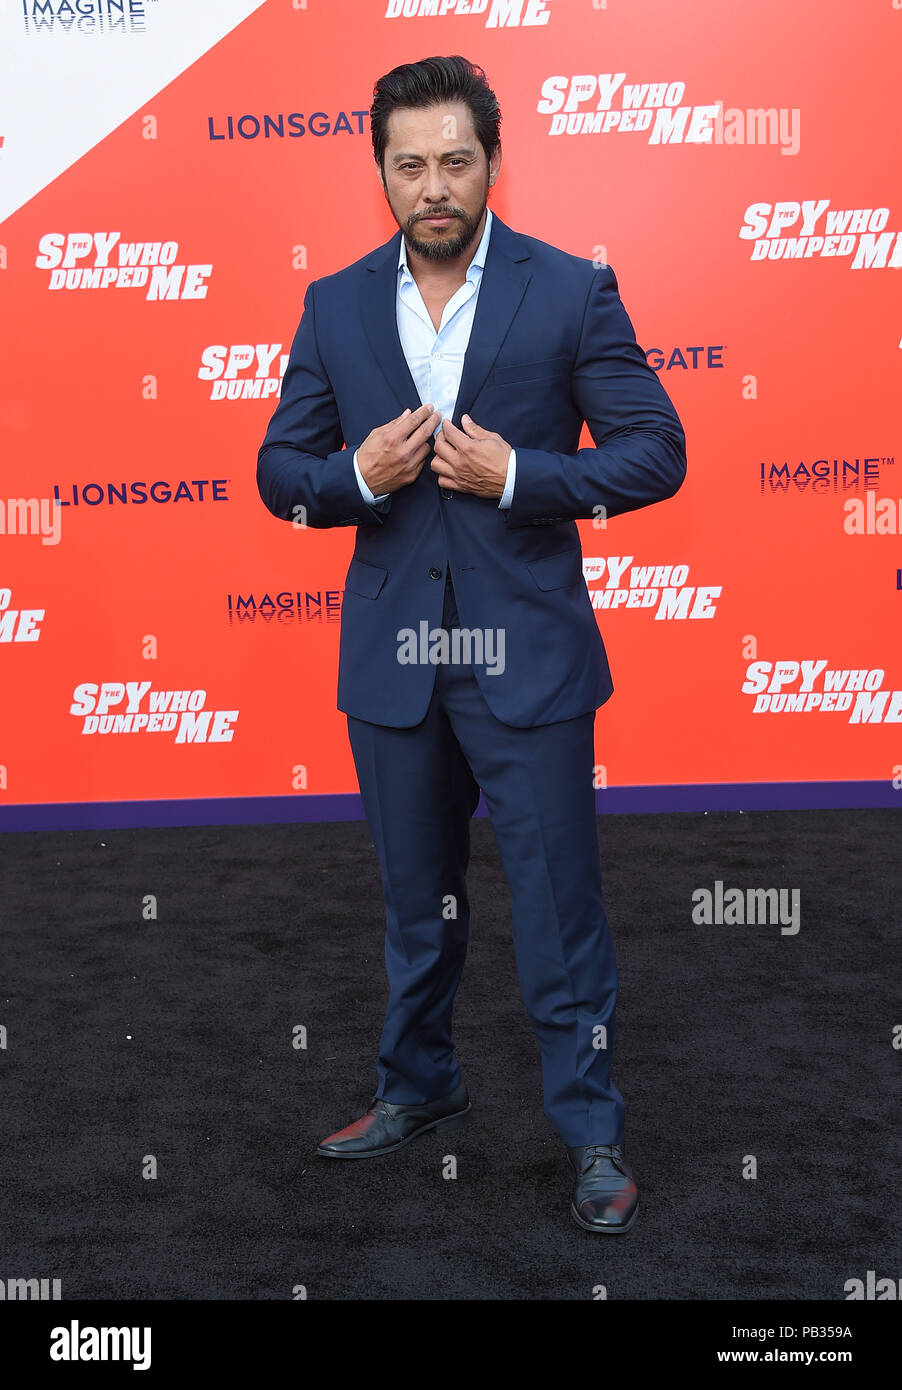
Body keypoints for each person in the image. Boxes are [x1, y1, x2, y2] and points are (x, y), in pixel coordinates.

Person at [256, 54, 686, 1234]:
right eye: (409, 165)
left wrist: (521, 476)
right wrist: (354, 476)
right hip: (393, 663)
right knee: (413, 901)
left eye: (454, 160)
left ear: (491, 161)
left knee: (557, 907)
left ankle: (591, 1135)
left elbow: (656, 449)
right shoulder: (336, 302)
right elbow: (277, 472)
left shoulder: (569, 290)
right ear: (381, 174)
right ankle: (419, 1087)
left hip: (528, 659)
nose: (432, 184)